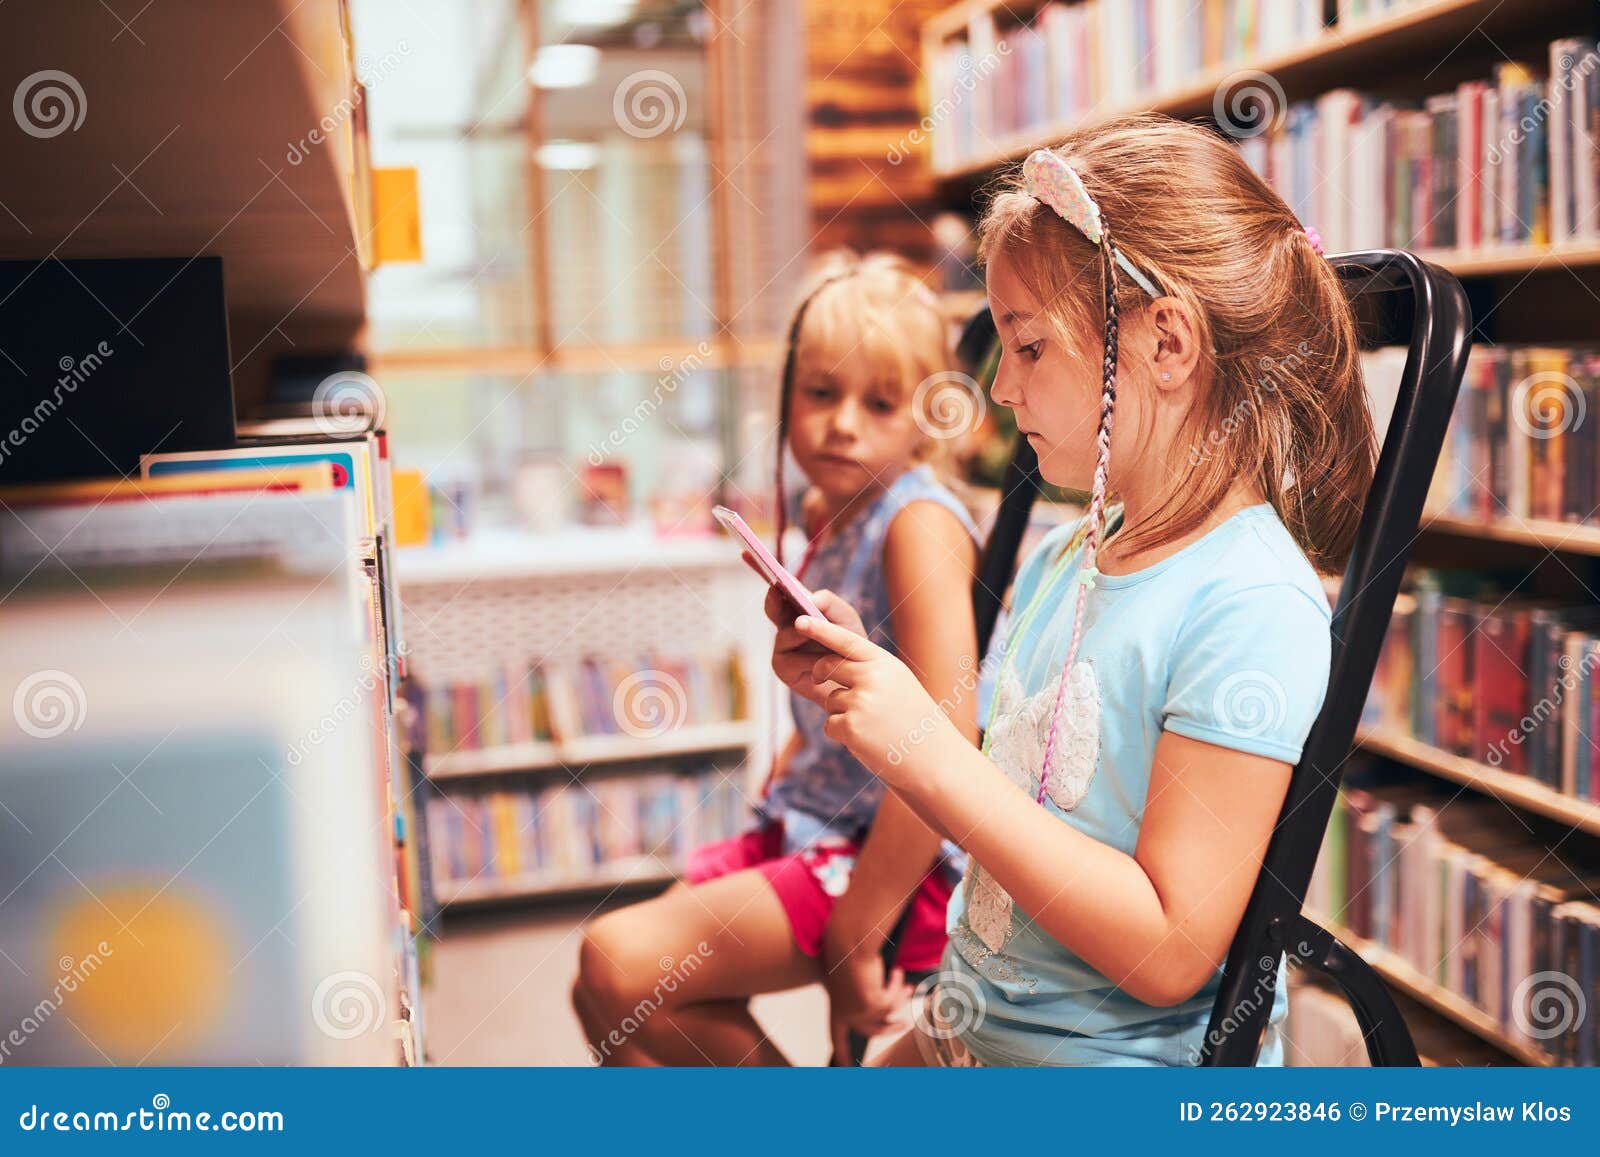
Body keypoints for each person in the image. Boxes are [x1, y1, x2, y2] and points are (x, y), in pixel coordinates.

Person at [772, 115, 1375, 1066]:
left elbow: (1172, 948)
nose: (1002, 389)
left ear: (1166, 344)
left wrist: (927, 751)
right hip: (967, 1037)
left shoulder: (1251, 603)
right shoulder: (1072, 554)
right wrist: (872, 678)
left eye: (1029, 346)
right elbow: (1019, 785)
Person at [572, 250, 981, 1065]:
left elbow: (948, 736)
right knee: (617, 996)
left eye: (880, 402)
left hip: (898, 859)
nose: (842, 423)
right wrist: (791, 762)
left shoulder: (917, 523)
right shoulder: (834, 510)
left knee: (617, 961)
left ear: (927, 419)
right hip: (821, 823)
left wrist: (858, 931)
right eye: (821, 393)